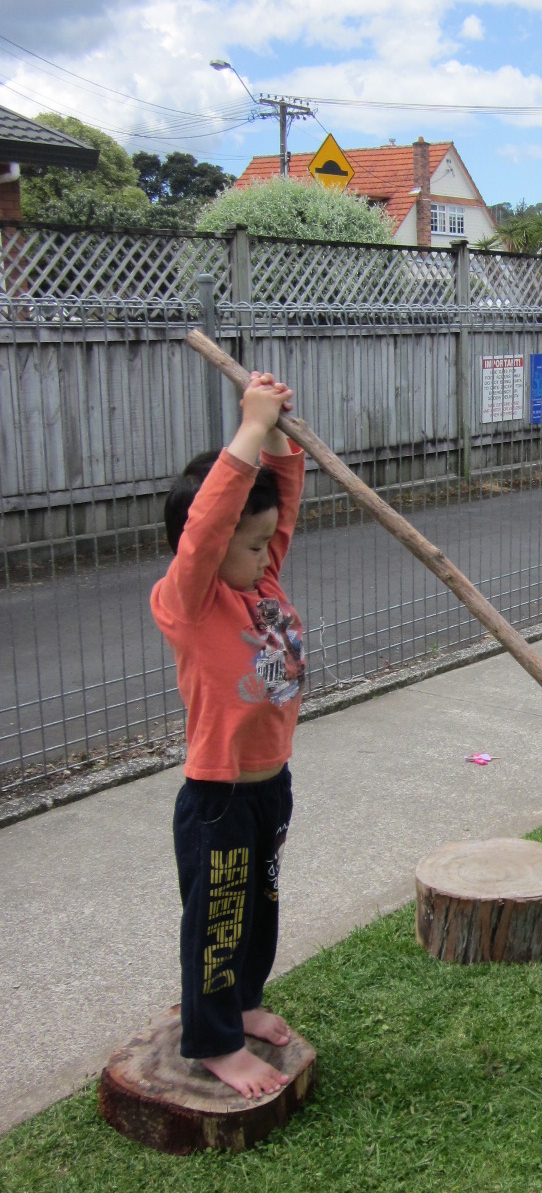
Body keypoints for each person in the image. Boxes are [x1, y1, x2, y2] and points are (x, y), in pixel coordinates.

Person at [150, 372, 306, 1099]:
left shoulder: (258, 584)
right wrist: (247, 430)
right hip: (218, 798)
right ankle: (214, 1040)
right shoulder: (190, 600)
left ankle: (242, 1003)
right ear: (211, 548)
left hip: (270, 784)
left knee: (258, 911)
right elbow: (211, 525)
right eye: (250, 545)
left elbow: (281, 502)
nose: (267, 555)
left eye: (268, 542)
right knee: (216, 921)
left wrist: (275, 437)